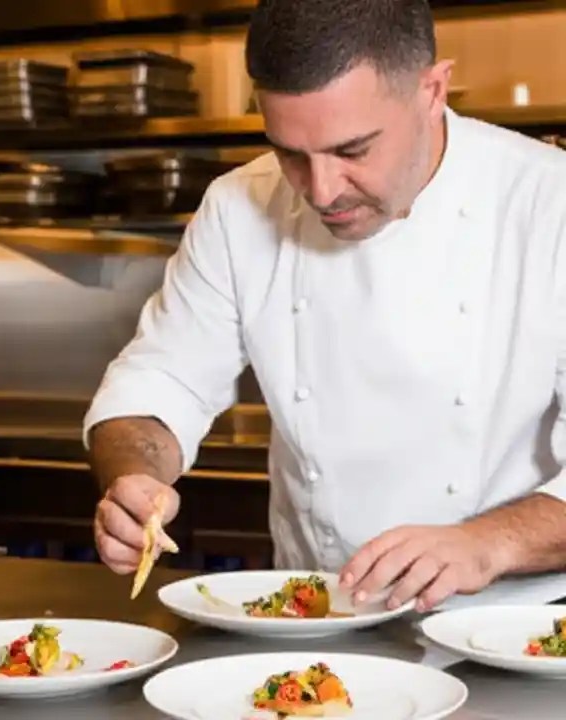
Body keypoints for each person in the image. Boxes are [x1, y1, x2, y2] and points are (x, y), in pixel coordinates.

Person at [88, 0, 566, 612]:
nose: (321, 191)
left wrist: (487, 544)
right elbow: (160, 380)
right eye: (289, 152)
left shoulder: (547, 204)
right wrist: (134, 478)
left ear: (433, 91)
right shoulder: (237, 207)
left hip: (521, 628)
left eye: (353, 150)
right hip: (318, 619)